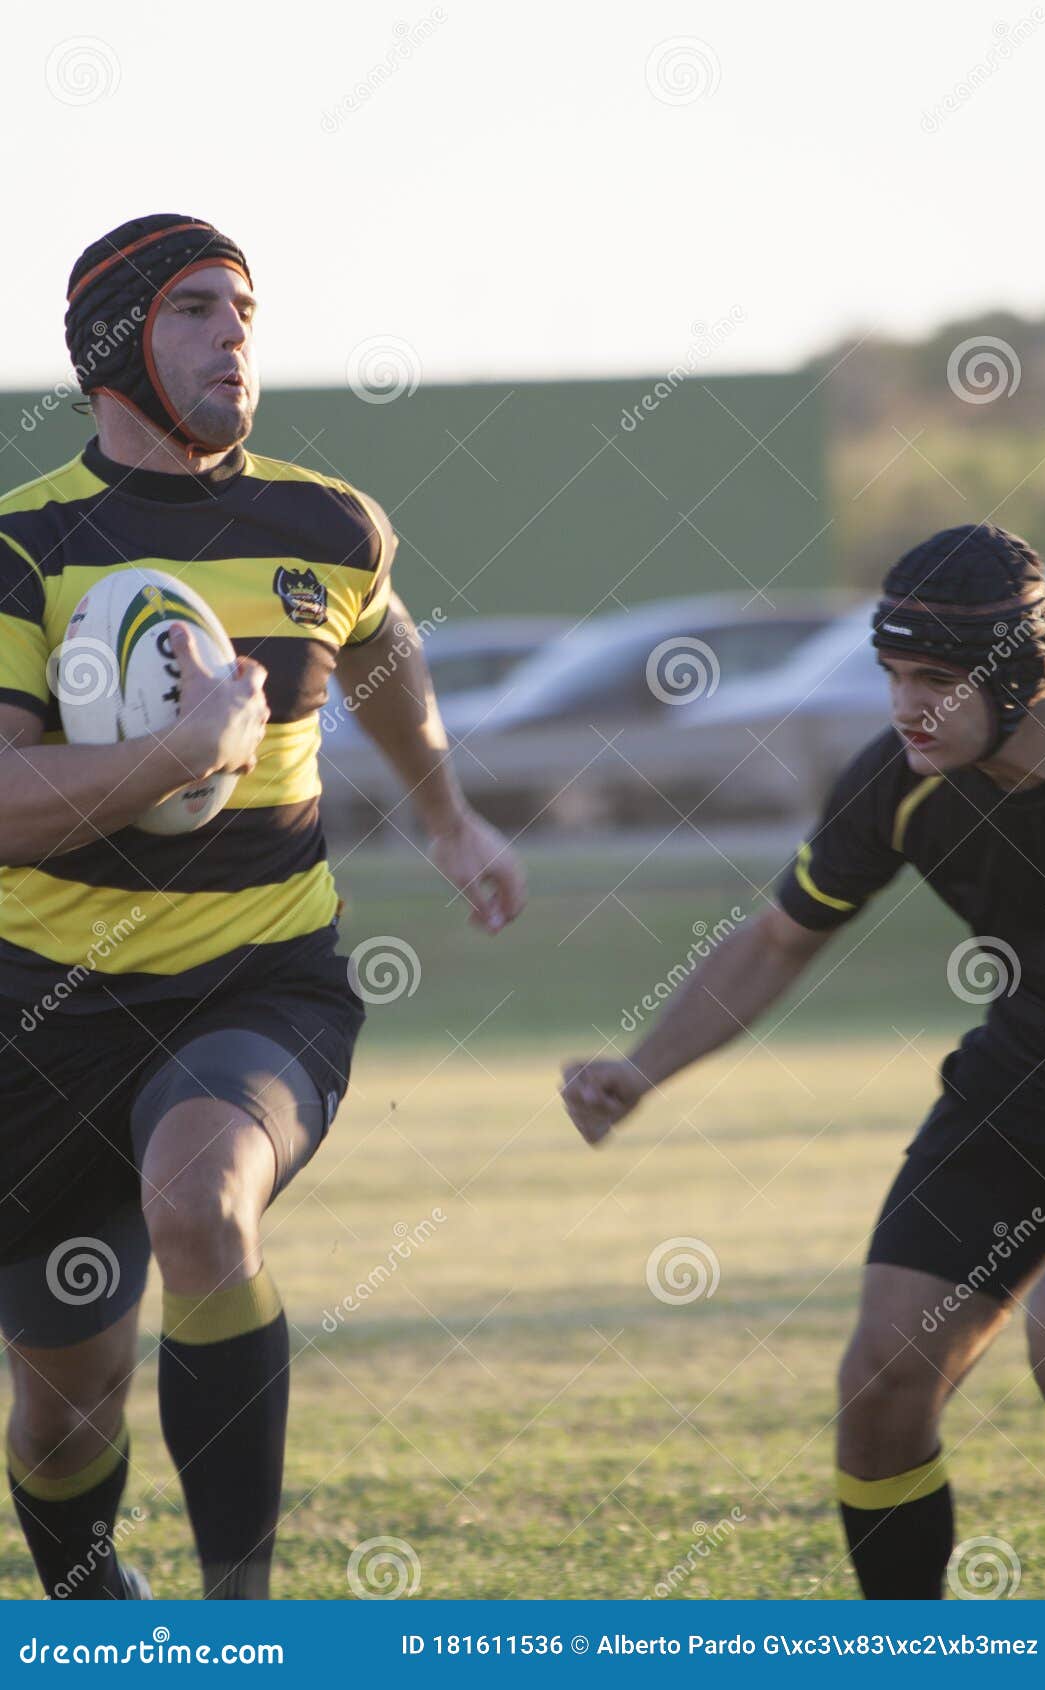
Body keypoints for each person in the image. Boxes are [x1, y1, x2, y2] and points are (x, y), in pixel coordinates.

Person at [0, 214, 525, 1600]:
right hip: (40, 1016)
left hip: (258, 988)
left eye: (245, 308)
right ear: (115, 343)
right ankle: (91, 1600)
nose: (235, 333)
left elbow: (382, 651)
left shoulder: (326, 523)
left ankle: (246, 1625)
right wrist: (181, 755)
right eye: (193, 309)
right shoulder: (23, 544)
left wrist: (447, 811)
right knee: (63, 1413)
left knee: (202, 1203)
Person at [560, 523, 1045, 1598]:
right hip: (1017, 1092)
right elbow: (777, 939)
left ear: (1016, 674)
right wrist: (642, 1069)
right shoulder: (896, 781)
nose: (902, 704)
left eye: (933, 677)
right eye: (889, 673)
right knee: (881, 1380)